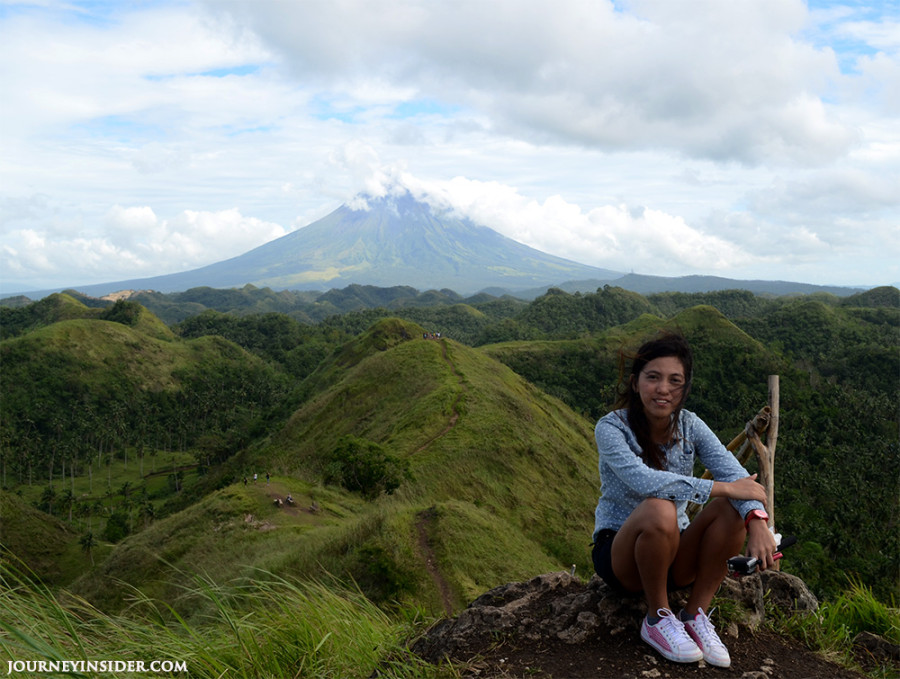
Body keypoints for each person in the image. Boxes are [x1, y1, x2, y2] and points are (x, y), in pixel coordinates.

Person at [591, 333, 777, 668]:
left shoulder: (691, 425)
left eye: (674, 381)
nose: (663, 389)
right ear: (635, 383)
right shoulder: (611, 428)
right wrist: (723, 488)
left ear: (685, 388)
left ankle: (695, 614)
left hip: (675, 554)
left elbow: (738, 477)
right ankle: (658, 617)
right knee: (661, 506)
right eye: (653, 377)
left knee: (731, 511)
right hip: (623, 558)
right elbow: (642, 480)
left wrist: (757, 522)